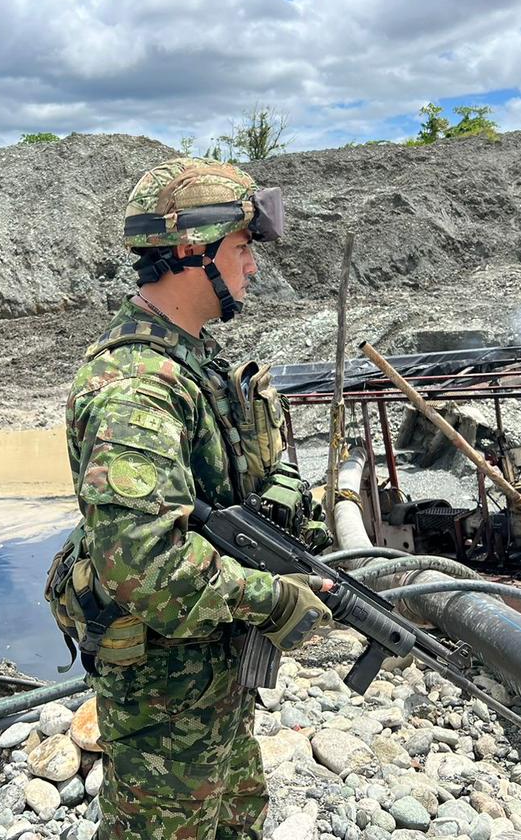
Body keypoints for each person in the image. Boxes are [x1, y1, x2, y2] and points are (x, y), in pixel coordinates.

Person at [47, 157, 334, 840]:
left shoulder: (191, 360)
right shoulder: (136, 389)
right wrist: (276, 598)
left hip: (211, 679)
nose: (252, 269)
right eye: (241, 250)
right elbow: (142, 563)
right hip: (163, 695)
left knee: (237, 821)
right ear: (187, 253)